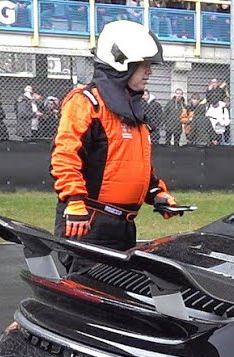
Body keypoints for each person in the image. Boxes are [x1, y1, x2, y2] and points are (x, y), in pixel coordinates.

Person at [50, 21, 182, 253]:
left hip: (122, 227)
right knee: (86, 286)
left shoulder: (132, 109)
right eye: (144, 65)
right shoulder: (86, 103)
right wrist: (75, 200)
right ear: (121, 63)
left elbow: (135, 165)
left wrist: (156, 193)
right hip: (88, 223)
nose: (149, 72)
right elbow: (64, 156)